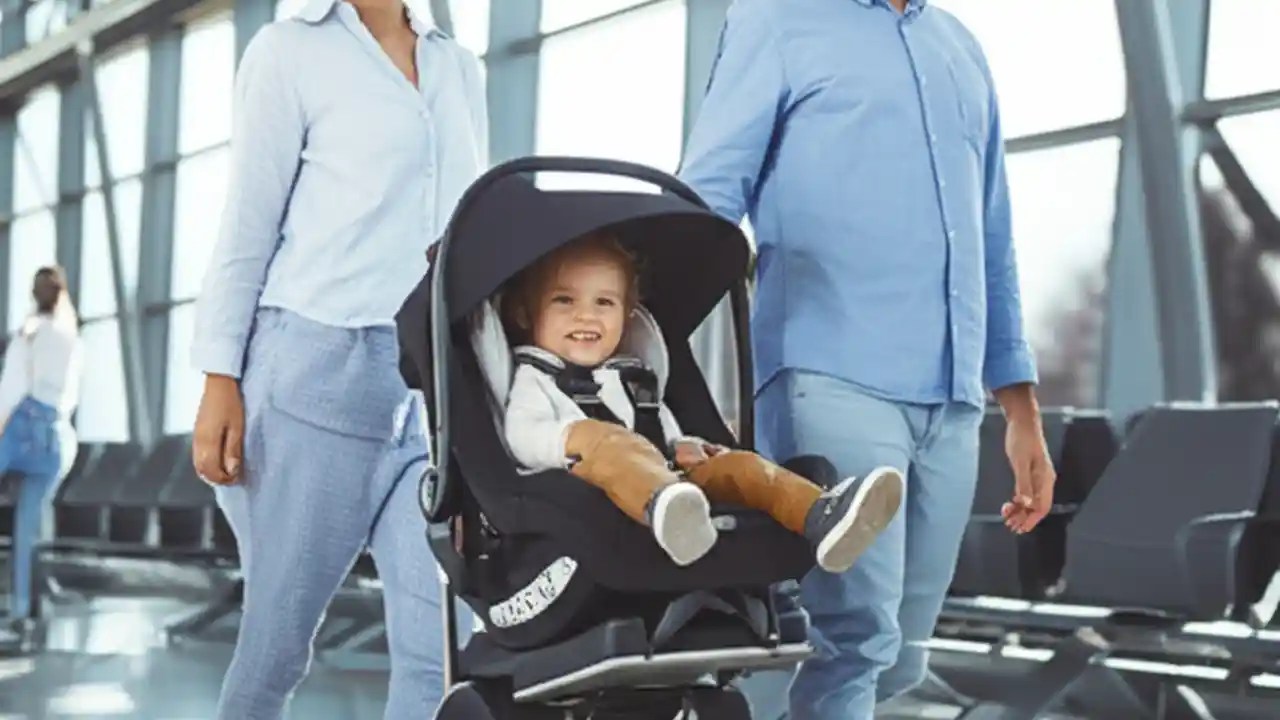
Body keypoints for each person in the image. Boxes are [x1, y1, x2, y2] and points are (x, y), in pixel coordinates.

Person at [678, 0, 1057, 718]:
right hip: (829, 369)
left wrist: (1020, 408)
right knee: (855, 639)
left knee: (902, 655)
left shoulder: (960, 47)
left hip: (952, 397)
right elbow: (708, 196)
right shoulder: (775, 21)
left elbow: (992, 233)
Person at [189, 0, 487, 717]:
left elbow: (468, 235)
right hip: (312, 373)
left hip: (429, 394)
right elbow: (247, 222)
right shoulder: (288, 53)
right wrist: (218, 376)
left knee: (443, 651)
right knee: (276, 650)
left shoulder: (459, 67)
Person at [501, 233, 904, 571]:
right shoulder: (537, 379)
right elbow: (522, 435)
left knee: (740, 466)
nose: (585, 316)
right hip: (596, 498)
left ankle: (819, 515)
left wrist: (682, 446)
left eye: (604, 303)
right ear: (524, 312)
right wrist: (577, 439)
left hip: (677, 484)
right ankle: (666, 508)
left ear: (627, 316)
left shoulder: (634, 378)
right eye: (564, 301)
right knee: (609, 446)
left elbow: (658, 423)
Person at [0, 266, 82, 626]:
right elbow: (71, 398)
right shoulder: (73, 340)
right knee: (27, 527)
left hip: (23, 428)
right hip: (58, 439)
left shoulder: (29, 335)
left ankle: (21, 608)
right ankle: (21, 611)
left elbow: (11, 391)